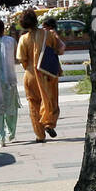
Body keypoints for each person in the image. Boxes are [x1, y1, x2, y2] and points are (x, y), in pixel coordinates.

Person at [15, 9, 64, 142]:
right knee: (50, 100)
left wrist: (29, 67)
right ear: (36, 20)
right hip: (46, 73)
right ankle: (48, 123)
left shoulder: (23, 39)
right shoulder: (47, 35)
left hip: (30, 75)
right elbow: (59, 50)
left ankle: (40, 135)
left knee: (33, 104)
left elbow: (21, 58)